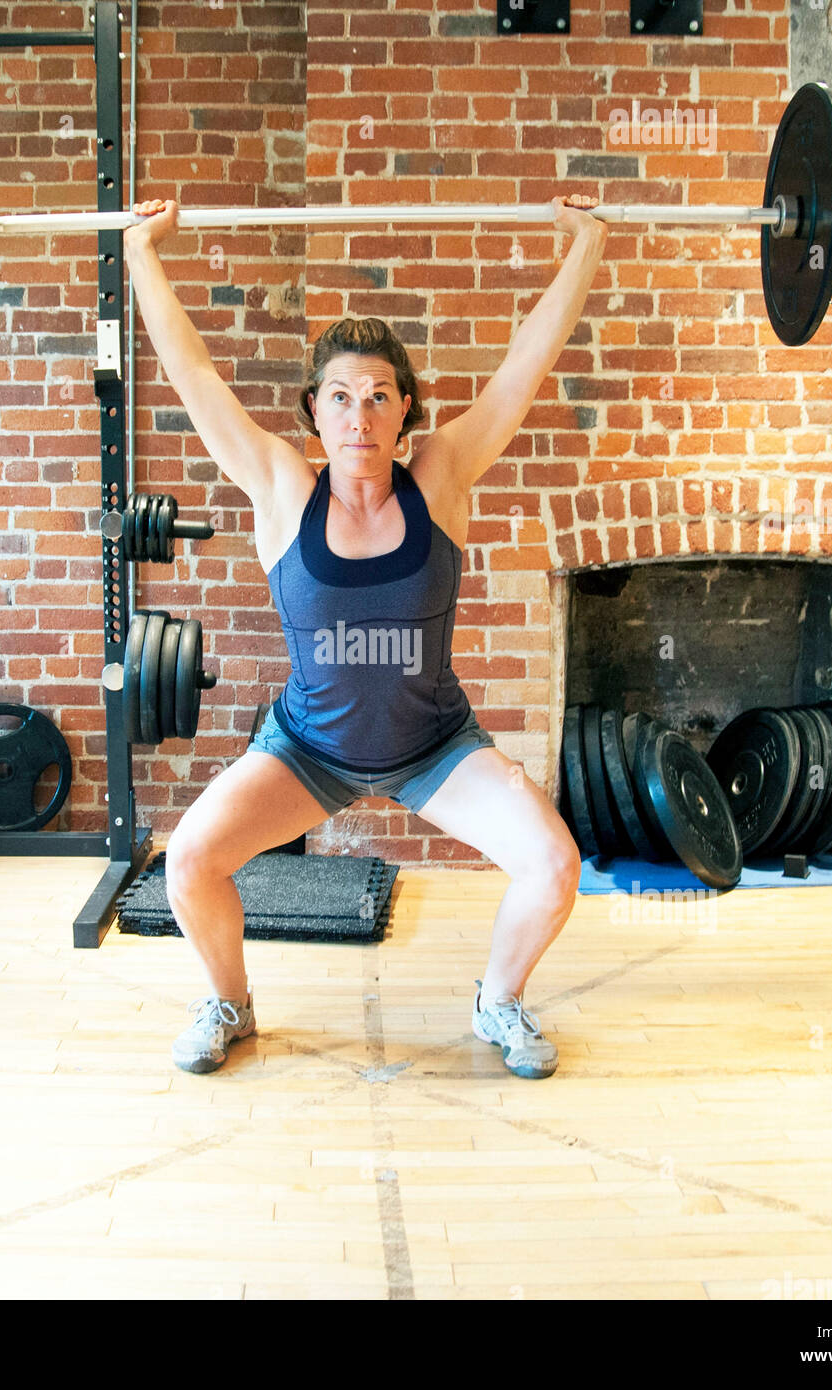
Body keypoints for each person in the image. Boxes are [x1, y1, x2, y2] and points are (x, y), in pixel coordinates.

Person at [125, 194, 608, 1079]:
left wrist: (585, 243)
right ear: (315, 411)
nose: (360, 416)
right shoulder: (281, 486)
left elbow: (523, 369)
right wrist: (140, 252)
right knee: (189, 859)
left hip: (435, 746)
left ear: (404, 410)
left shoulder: (442, 476)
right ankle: (229, 1003)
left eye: (379, 397)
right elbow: (193, 376)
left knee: (553, 862)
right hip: (309, 750)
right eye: (342, 398)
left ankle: (498, 1001)